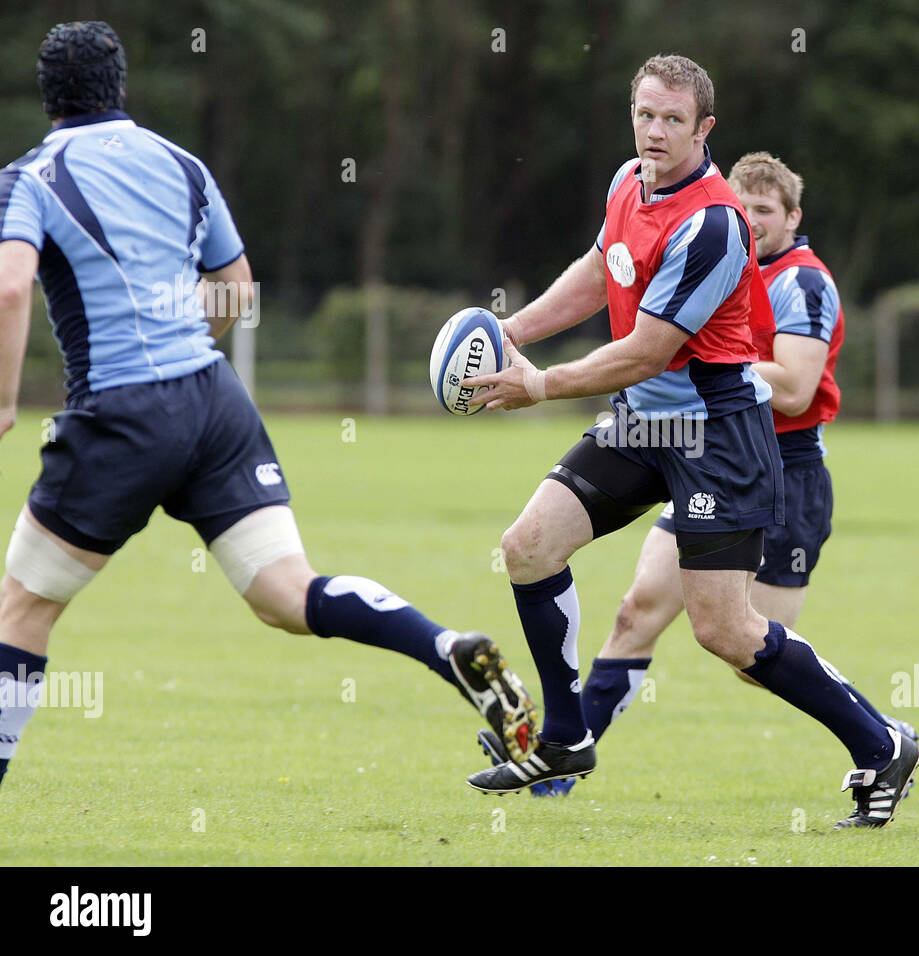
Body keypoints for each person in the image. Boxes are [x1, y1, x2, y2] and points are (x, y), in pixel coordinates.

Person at [0, 21, 538, 789]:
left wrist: (3, 400)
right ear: (121, 87)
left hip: (120, 415)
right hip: (214, 403)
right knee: (288, 595)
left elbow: (11, 284)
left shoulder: (30, 176)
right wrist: (184, 350)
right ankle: (445, 645)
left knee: (20, 613)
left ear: (48, 95)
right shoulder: (181, 163)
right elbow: (237, 289)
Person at [464, 55, 919, 829]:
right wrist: (511, 329)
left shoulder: (713, 223)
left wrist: (536, 384)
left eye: (674, 120)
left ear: (704, 129)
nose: (656, 131)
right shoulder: (625, 183)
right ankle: (567, 735)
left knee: (725, 631)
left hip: (718, 435)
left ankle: (882, 744)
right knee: (529, 546)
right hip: (645, 422)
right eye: (645, 114)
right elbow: (596, 271)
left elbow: (647, 349)